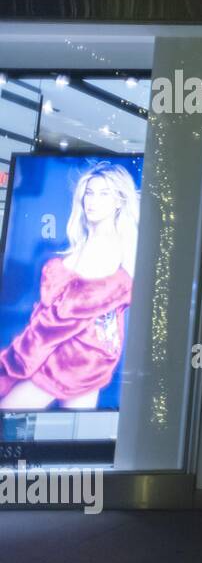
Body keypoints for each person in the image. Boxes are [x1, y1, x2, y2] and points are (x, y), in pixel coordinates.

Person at [0, 162, 139, 409]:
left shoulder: (107, 247)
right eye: (89, 192)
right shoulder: (94, 242)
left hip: (70, 359)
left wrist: (10, 364)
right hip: (88, 358)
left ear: (119, 201)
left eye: (104, 193)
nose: (92, 201)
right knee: (74, 434)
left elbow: (63, 317)